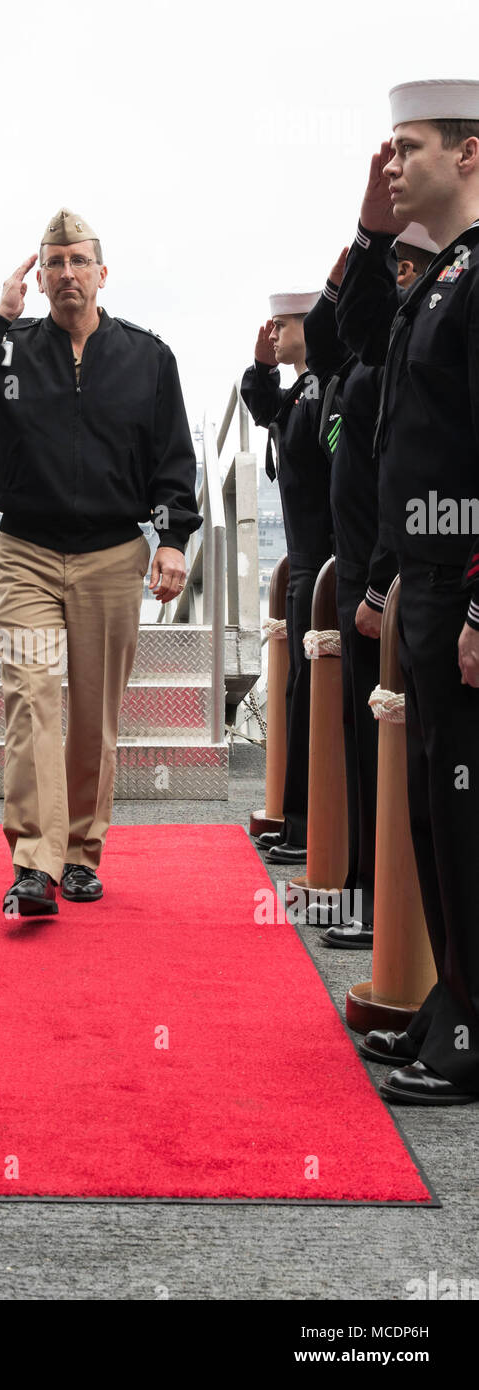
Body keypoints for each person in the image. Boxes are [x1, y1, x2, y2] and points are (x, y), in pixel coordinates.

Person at [0, 208, 201, 915]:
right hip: (22, 553)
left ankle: (81, 851)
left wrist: (171, 538)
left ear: (101, 273)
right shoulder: (10, 348)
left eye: (79, 261)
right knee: (30, 698)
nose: (67, 273)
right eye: (54, 262)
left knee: (93, 715)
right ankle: (33, 862)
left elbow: (174, 461)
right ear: (40, 275)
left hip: (112, 555)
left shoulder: (147, 357)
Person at [348, 81, 479, 1105]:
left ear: (468, 153)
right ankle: (454, 997)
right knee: (439, 808)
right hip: (426, 576)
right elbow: (358, 341)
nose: (392, 163)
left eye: (408, 146)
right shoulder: (442, 277)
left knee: (469, 810)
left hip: (466, 579)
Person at [315, 223, 438, 951]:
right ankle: (365, 889)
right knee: (363, 752)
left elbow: (408, 480)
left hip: (379, 581)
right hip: (356, 574)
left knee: (388, 756)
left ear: (404, 274)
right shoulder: (364, 364)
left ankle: (381, 906)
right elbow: (332, 340)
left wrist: (380, 580)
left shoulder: (388, 362)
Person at [242, 290, 335, 866]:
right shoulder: (304, 389)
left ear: (313, 324)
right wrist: (261, 365)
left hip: (323, 560)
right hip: (304, 561)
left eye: (284, 324)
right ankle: (299, 820)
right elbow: (264, 408)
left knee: (316, 696)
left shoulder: (327, 388)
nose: (274, 333)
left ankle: (311, 827)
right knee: (301, 692)